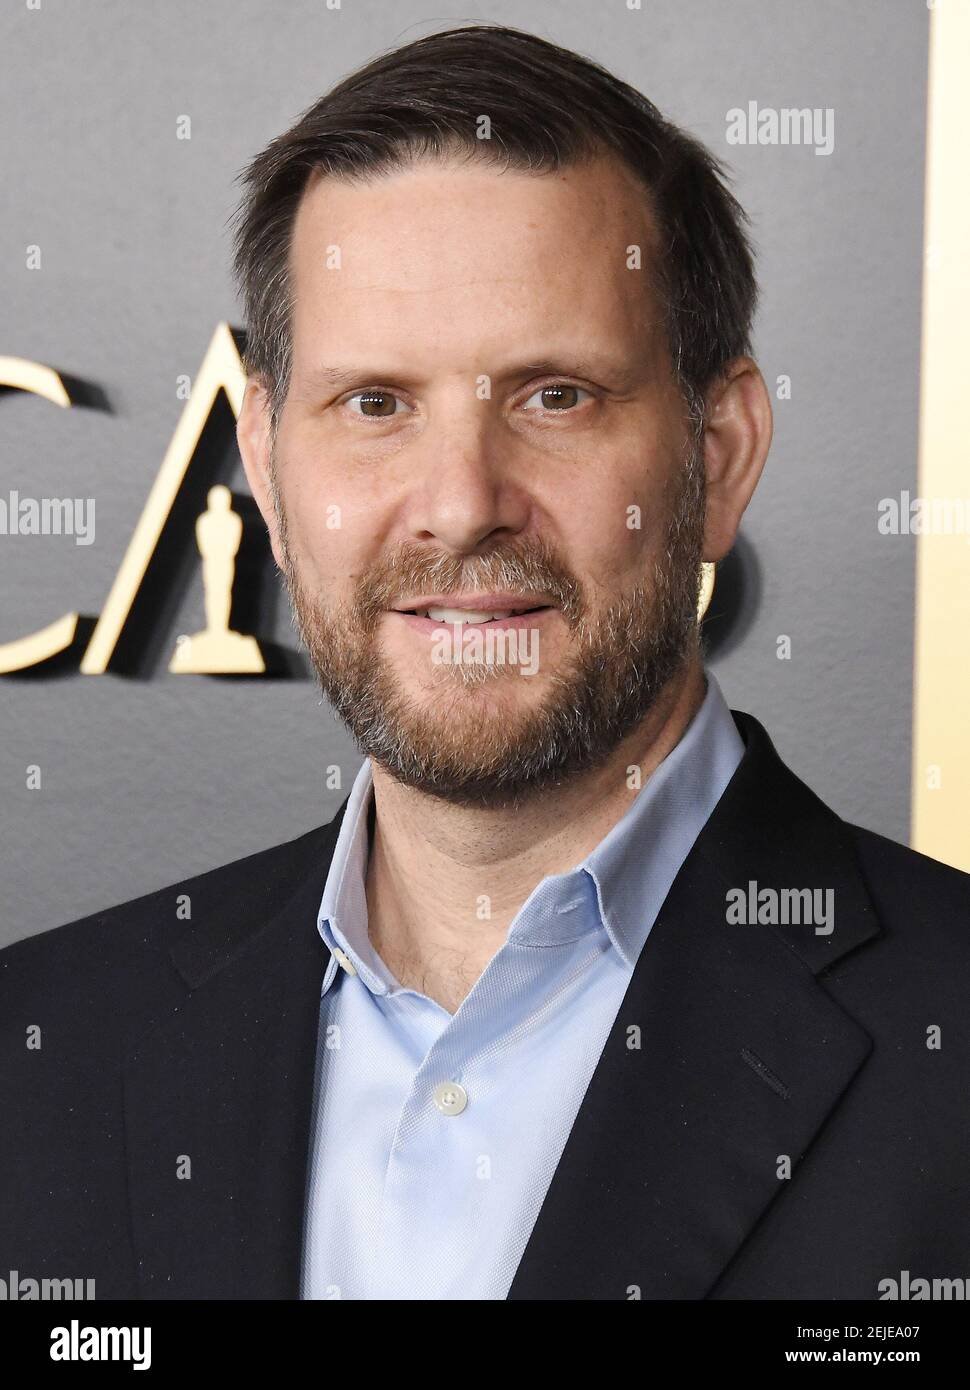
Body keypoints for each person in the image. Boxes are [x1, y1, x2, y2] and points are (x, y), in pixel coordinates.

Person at [2, 22, 968, 1302]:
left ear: (718, 453)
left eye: (554, 395)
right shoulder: (42, 1051)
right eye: (375, 403)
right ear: (269, 472)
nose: (461, 505)